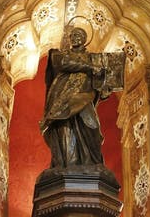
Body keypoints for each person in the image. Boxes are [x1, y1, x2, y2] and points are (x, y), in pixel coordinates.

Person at [40, 26, 109, 168]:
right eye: (72, 35)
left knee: (93, 127)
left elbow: (99, 82)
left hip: (84, 97)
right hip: (64, 97)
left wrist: (104, 88)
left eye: (78, 35)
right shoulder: (63, 55)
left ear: (84, 40)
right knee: (65, 129)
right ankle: (67, 163)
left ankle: (94, 163)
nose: (75, 38)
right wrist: (90, 67)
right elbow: (67, 64)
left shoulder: (92, 57)